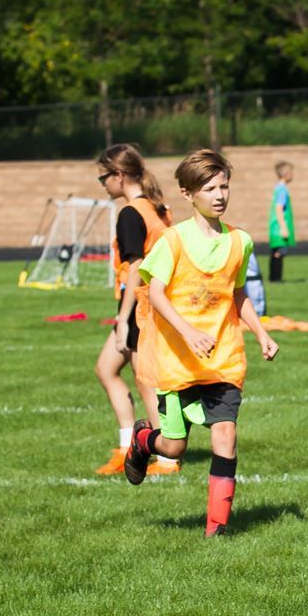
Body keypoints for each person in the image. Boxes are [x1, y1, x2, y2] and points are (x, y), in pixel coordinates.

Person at [123, 149, 280, 537]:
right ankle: (144, 440)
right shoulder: (173, 241)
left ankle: (217, 530)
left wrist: (260, 333)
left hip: (223, 359)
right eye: (209, 188)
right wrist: (188, 332)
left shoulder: (239, 242)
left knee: (225, 434)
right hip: (178, 361)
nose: (219, 195)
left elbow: (238, 294)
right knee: (174, 447)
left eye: (224, 186)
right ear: (187, 193)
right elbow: (155, 292)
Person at [94, 144, 176, 476]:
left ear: (119, 175)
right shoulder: (158, 208)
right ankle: (129, 447)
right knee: (106, 369)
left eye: (104, 178)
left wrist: (123, 319)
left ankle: (167, 459)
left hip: (140, 305)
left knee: (146, 382)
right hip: (152, 302)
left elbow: (135, 266)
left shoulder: (131, 212)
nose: (103, 185)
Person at [268, 161, 295, 283]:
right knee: (280, 252)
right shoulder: (282, 189)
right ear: (286, 174)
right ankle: (276, 278)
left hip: (275, 226)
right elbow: (279, 208)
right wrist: (283, 228)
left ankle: (274, 278)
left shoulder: (278, 188)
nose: (293, 175)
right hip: (278, 227)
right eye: (291, 172)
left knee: (277, 252)